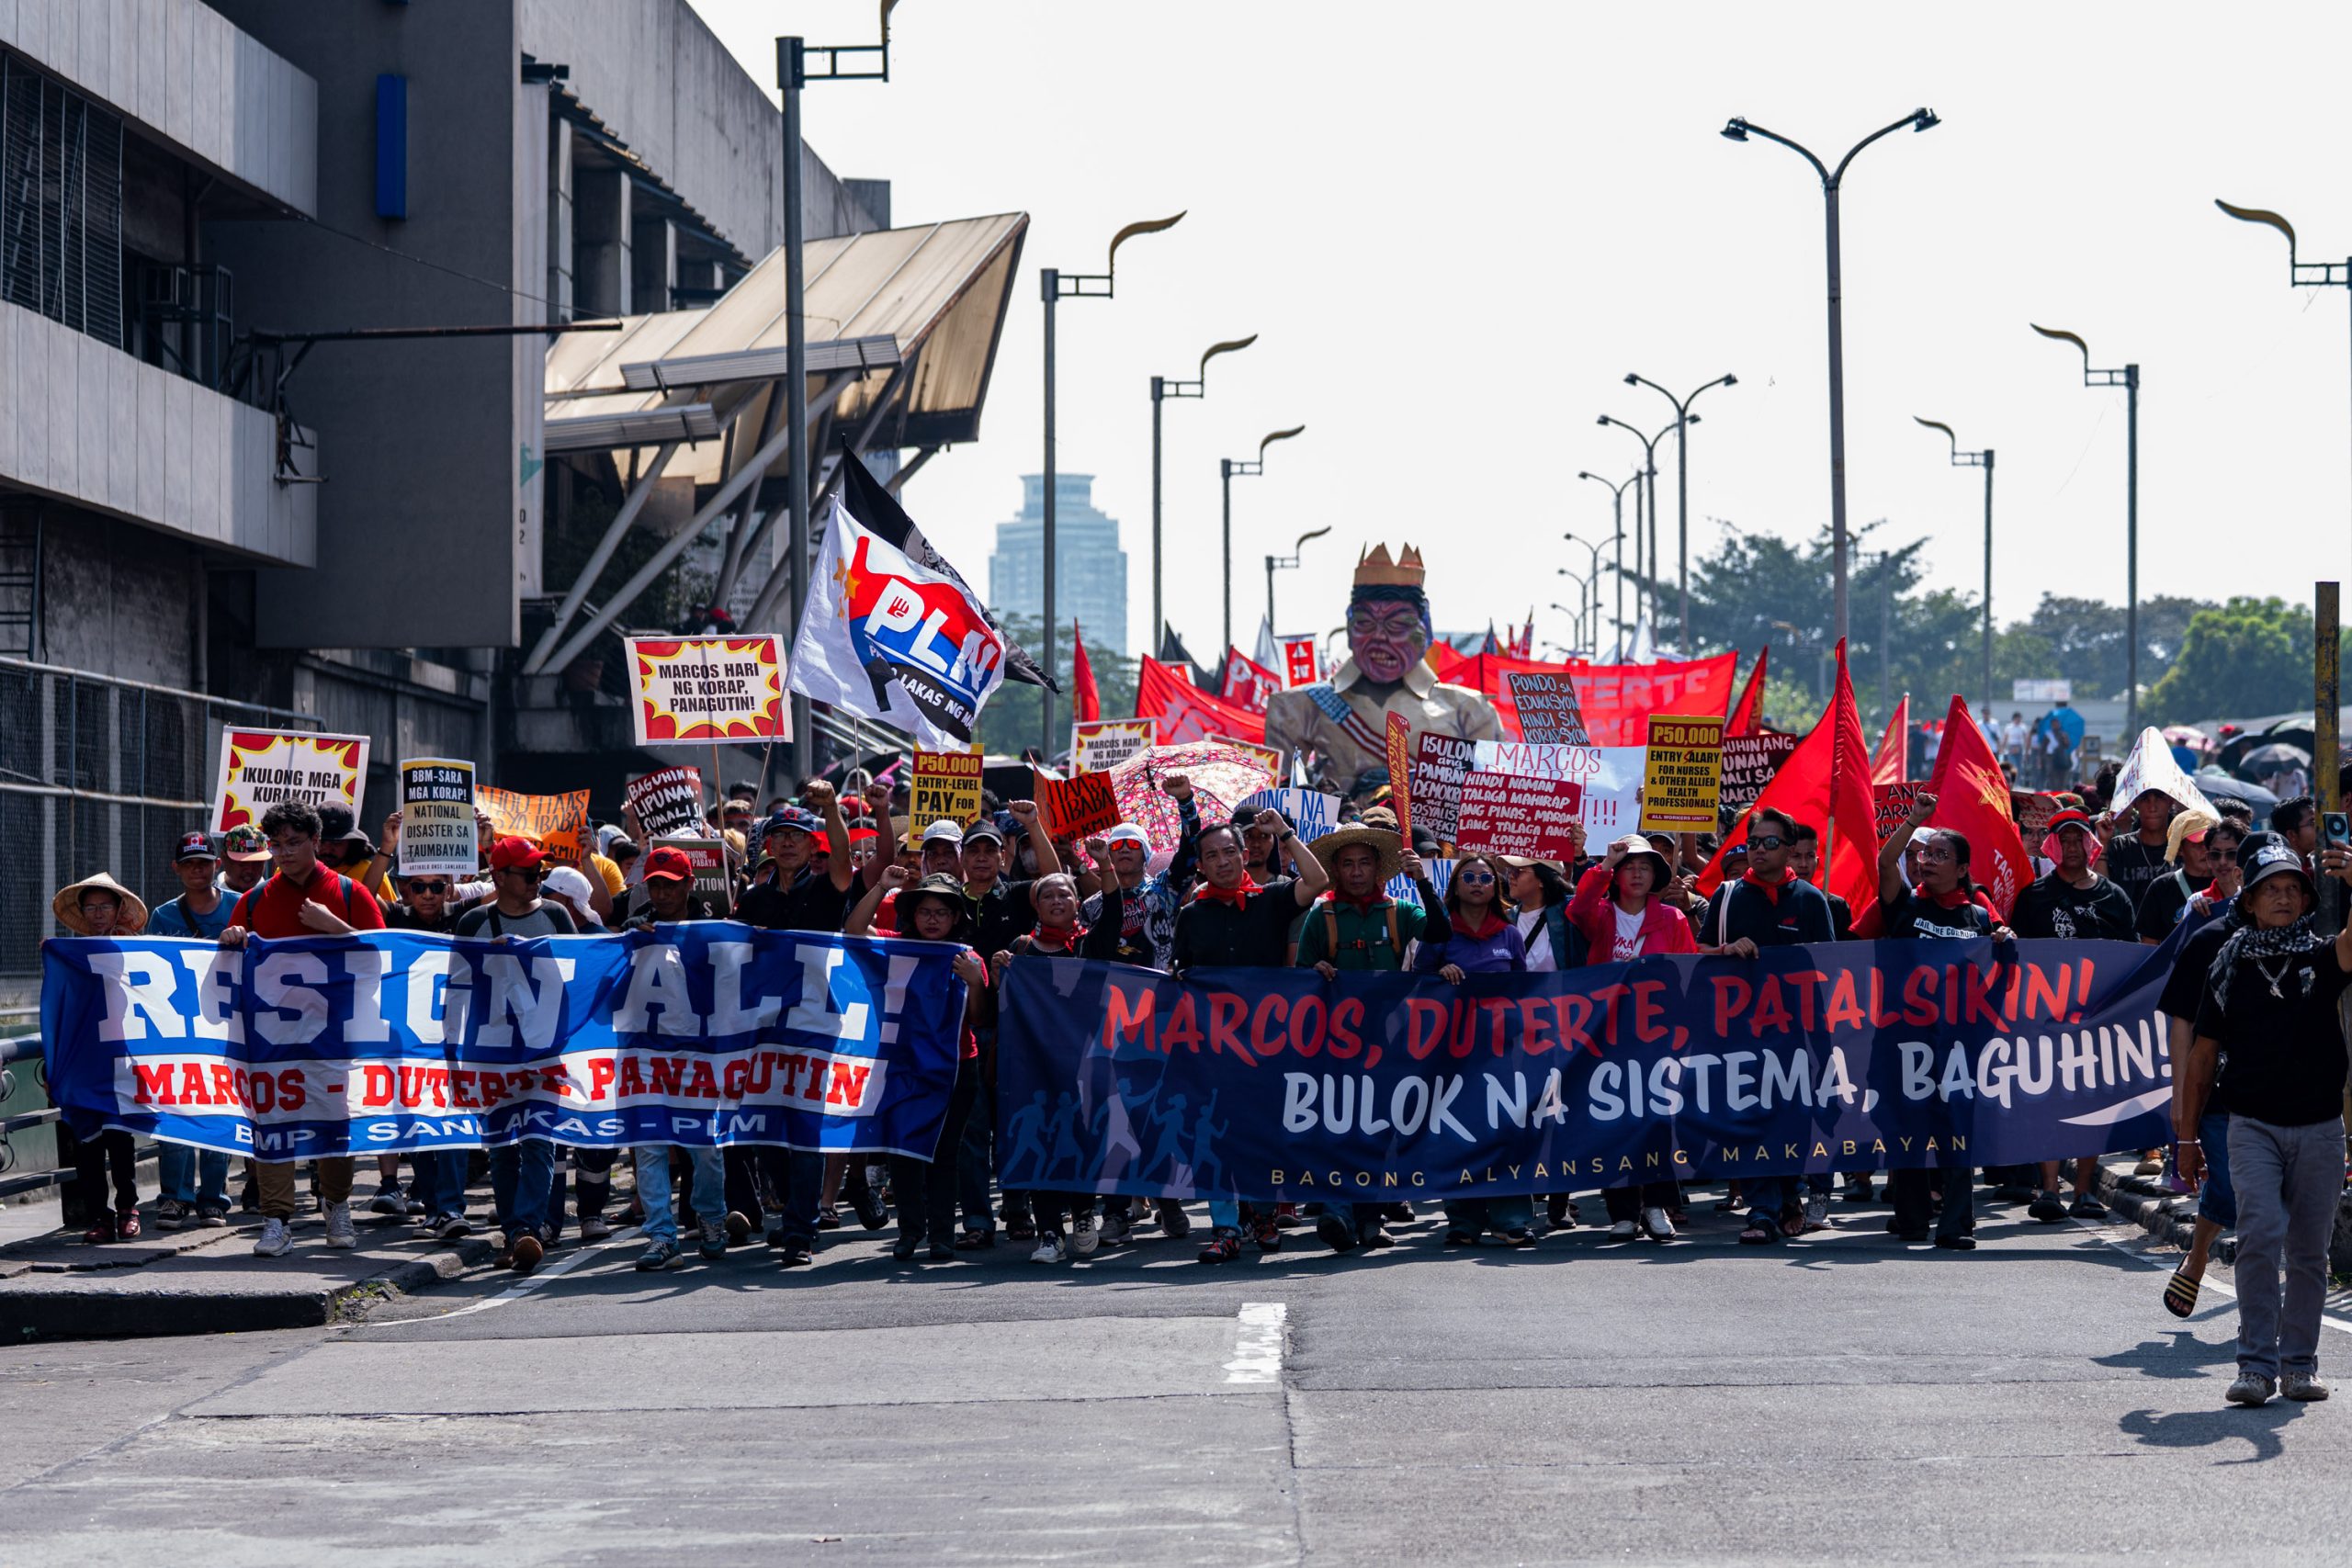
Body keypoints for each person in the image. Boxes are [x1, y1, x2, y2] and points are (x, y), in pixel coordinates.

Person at [2178, 835, 2352, 1406]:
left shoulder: (2321, 956)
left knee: (2309, 1251)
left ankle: (2298, 1364)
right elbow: (2202, 1057)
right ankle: (2255, 1365)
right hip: (2249, 1124)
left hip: (2320, 1126)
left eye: (2292, 889)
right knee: (2259, 1235)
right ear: (2248, 901)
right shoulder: (2226, 964)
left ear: (2305, 900)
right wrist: (2186, 1136)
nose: (2282, 898)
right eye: (2269, 889)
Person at [218, 800, 386, 1258]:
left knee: (334, 1125)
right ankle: (276, 1220)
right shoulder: (252, 902)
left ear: (316, 842)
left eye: (294, 842)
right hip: (271, 1039)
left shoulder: (351, 893)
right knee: (272, 1126)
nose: (284, 852)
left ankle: (336, 1204)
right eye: (276, 844)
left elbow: (380, 960)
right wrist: (231, 941)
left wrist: (334, 927)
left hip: (335, 1035)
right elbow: (228, 972)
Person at [1174, 815, 1330, 1262]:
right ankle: (1225, 1227)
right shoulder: (1192, 914)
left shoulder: (1275, 898)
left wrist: (1284, 834)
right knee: (1216, 1136)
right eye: (1211, 856)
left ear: (1245, 855)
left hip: (1267, 1045)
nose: (1222, 862)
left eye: (1229, 852)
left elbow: (1317, 879)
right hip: (1213, 1050)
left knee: (1262, 1132)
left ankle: (1262, 1214)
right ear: (1200, 866)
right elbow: (1181, 975)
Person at [1295, 824, 1443, 1255]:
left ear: (1380, 868)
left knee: (1379, 1129)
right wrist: (1315, 974)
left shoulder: (1401, 912)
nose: (1356, 872)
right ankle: (1338, 1211)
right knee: (1339, 1126)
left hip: (1389, 1043)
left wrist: (1423, 882)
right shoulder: (1320, 917)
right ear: (1336, 871)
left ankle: (1370, 1219)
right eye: (1347, 864)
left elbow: (1440, 933)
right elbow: (1298, 978)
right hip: (1335, 1045)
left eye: (1364, 863)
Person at [1876, 793, 2009, 1248]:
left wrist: (2005, 941)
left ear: (1962, 868)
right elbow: (1887, 859)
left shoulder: (1977, 915)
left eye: (1940, 855)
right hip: (1903, 1043)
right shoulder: (1905, 906)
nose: (1927, 862)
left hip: (1958, 1047)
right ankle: (1911, 1219)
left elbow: (2001, 969)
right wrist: (1915, 820)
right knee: (1907, 1130)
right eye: (1925, 854)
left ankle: (1955, 1224)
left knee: (1956, 1134)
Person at [1262, 543, 1504, 791]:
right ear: (1349, 625)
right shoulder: (1297, 706)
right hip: (1342, 828)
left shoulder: (1470, 711)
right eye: (1365, 623)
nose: (1379, 637)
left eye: (1398, 624)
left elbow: (1489, 803)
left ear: (1426, 628)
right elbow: (1279, 801)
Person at [2006, 807, 2142, 1220]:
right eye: (2062, 840)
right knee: (2049, 1103)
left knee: (2092, 1104)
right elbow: (2018, 957)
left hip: (2098, 1023)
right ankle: (2049, 1190)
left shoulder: (2113, 896)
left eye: (2077, 839)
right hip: (2045, 1020)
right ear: (2052, 846)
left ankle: (2084, 1191)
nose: (2070, 848)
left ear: (2091, 844)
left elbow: (2130, 957)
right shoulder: (2034, 897)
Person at [849, 870, 989, 1263]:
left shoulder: (967, 957)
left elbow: (978, 1018)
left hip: (956, 1067)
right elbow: (855, 931)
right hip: (903, 1068)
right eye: (925, 911)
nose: (932, 919)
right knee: (903, 1151)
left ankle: (942, 1235)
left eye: (941, 912)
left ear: (955, 918)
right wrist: (880, 886)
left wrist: (976, 983)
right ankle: (911, 1231)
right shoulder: (896, 946)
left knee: (945, 1154)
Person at [1712, 808, 1837, 1245]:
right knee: (1751, 1116)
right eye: (1752, 842)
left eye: (1769, 843)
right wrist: (1725, 949)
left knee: (1792, 1119)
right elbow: (1699, 951)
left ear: (1788, 849)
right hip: (1741, 1033)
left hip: (1799, 1034)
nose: (1758, 851)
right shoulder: (1727, 896)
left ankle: (1788, 1195)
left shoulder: (1810, 899)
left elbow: (1830, 967)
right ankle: (1762, 1210)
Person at [452, 837, 576, 1272]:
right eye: (528, 874)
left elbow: (575, 979)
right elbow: (455, 994)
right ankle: (512, 1234)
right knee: (502, 1148)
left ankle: (527, 1229)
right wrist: (453, 1060)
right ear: (500, 877)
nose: (536, 880)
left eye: (539, 873)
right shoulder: (473, 924)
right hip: (491, 1056)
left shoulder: (556, 916)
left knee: (540, 1142)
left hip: (544, 1054)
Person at [1568, 833, 1701, 1242]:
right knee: (1615, 1120)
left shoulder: (1673, 919)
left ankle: (1657, 1205)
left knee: (1657, 1120)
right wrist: (1604, 864)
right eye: (1630, 866)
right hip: (1605, 1033)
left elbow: (1688, 972)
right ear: (1617, 875)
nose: (1638, 872)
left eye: (1645, 866)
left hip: (1657, 1036)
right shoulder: (1602, 913)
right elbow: (1578, 909)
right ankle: (1623, 1211)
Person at [990, 872, 1129, 1261]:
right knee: (1043, 1145)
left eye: (1064, 894)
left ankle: (1084, 1214)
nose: (1056, 900)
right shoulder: (1020, 950)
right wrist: (999, 972)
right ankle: (1050, 1232)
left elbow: (1114, 916)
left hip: (1086, 1063)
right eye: (1046, 895)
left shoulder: (1088, 944)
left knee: (1084, 1137)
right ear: (1036, 906)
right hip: (1035, 1066)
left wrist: (1106, 868)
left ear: (1076, 902)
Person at [2156, 835, 2257, 1321]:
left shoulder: (2305, 940)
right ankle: (2200, 1258)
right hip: (2217, 1094)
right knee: (2235, 1189)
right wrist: (2181, 1103)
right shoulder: (2207, 937)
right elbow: (2182, 1023)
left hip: (2285, 1095)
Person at [623, 845, 731, 1271]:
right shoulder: (636, 928)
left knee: (704, 1148)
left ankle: (711, 1218)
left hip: (699, 1055)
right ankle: (661, 1236)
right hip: (647, 1056)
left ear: (689, 883)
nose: (662, 893)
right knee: (649, 1148)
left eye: (670, 885)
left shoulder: (712, 927)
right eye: (654, 885)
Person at [1415, 853, 1532, 1246]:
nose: (1478, 882)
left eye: (1486, 876)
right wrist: (1438, 976)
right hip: (1454, 1053)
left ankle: (1511, 1218)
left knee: (1506, 1133)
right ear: (1456, 885)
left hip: (1502, 1053)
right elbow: (1416, 985)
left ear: (1495, 886)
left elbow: (1525, 990)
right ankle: (1463, 1219)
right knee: (1459, 1133)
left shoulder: (1510, 934)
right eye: (1469, 876)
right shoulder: (1440, 932)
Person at [53, 874, 148, 1241]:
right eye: (90, 907)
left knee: (121, 1138)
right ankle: (99, 1217)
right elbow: (58, 1012)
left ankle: (128, 1208)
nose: (97, 913)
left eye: (104, 906)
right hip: (82, 1062)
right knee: (87, 1143)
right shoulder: (68, 958)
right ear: (81, 912)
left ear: (118, 909)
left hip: (123, 1059)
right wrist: (57, 1068)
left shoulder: (139, 953)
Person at [1078, 774, 1200, 971]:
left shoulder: (1164, 891)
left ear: (1146, 854)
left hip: (1155, 994)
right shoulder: (1091, 907)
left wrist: (1185, 801)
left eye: (1134, 844)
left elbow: (1190, 852)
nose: (1125, 849)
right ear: (1108, 854)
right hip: (1106, 994)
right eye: (1117, 845)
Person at [2137, 817, 2241, 943]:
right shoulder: (2169, 889)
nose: (2222, 861)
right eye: (2197, 844)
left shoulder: (2254, 893)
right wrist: (2192, 919)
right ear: (2180, 849)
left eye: (2231, 853)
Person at [2103, 790, 2180, 911]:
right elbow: (2101, 892)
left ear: (2171, 801)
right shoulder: (2119, 846)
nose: (2152, 807)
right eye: (2144, 799)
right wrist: (2103, 842)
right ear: (2134, 803)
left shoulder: (2183, 847)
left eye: (2159, 798)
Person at [220, 824, 270, 895]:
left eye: (257, 863)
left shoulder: (275, 897)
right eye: (242, 863)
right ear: (224, 858)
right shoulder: (206, 900)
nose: (250, 870)